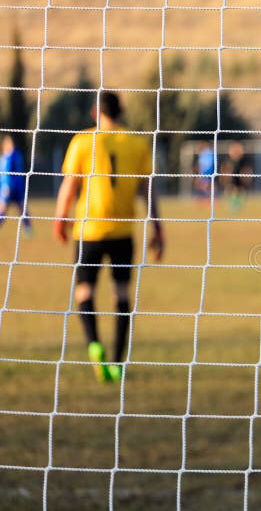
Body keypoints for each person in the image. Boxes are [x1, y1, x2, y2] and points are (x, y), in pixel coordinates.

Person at [53, 91, 164, 383]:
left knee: (85, 291)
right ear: (122, 111)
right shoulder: (137, 143)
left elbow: (69, 185)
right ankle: (117, 362)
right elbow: (147, 190)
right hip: (123, 231)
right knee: (122, 294)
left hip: (89, 230)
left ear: (95, 113)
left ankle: (94, 345)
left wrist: (60, 218)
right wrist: (158, 227)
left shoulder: (83, 141)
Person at [0, 135, 32, 235]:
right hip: (11, 186)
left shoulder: (12, 155)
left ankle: (28, 228)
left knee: (20, 208)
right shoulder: (7, 156)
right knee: (6, 208)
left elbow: (9, 173)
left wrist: (7, 187)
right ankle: (28, 228)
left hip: (11, 187)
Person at [222, 141, 252, 213]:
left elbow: (247, 169)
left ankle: (238, 204)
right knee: (230, 189)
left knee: (241, 190)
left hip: (240, 177)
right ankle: (233, 204)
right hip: (232, 177)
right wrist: (225, 176)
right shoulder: (229, 160)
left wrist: (247, 177)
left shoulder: (243, 160)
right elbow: (224, 168)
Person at [193, 140, 215, 204]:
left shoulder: (208, 153)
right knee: (202, 185)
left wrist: (203, 174)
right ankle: (202, 198)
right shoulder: (204, 154)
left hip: (207, 173)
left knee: (205, 186)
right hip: (204, 173)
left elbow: (207, 165)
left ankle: (208, 198)